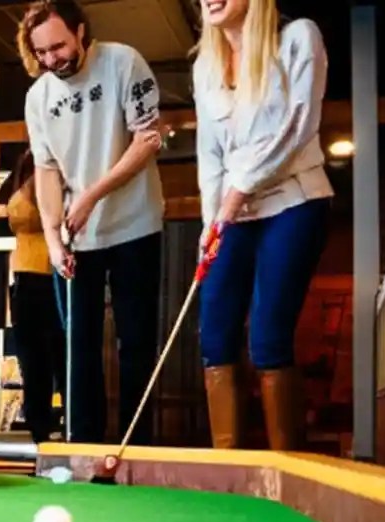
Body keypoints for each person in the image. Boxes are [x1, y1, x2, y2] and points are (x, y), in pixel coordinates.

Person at [18, 0, 165, 445]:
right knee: (78, 349)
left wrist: (88, 196)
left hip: (135, 226)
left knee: (136, 344)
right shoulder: (38, 96)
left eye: (58, 47)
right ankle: (83, 449)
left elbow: (147, 140)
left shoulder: (124, 62)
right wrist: (51, 237)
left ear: (81, 33)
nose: (51, 60)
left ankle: (137, 450)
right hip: (76, 239)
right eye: (41, 52)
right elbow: (45, 170)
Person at [193, 0, 333, 450]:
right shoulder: (205, 64)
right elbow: (209, 153)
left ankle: (285, 471)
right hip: (233, 213)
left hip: (294, 201)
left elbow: (296, 128)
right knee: (215, 332)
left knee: (269, 336)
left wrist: (237, 193)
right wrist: (211, 217)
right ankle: (228, 468)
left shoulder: (299, 38)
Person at [5, 148, 67, 444]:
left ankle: (70, 425)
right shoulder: (29, 166)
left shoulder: (52, 170)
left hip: (51, 274)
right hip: (23, 277)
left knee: (59, 354)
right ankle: (38, 428)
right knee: (32, 360)